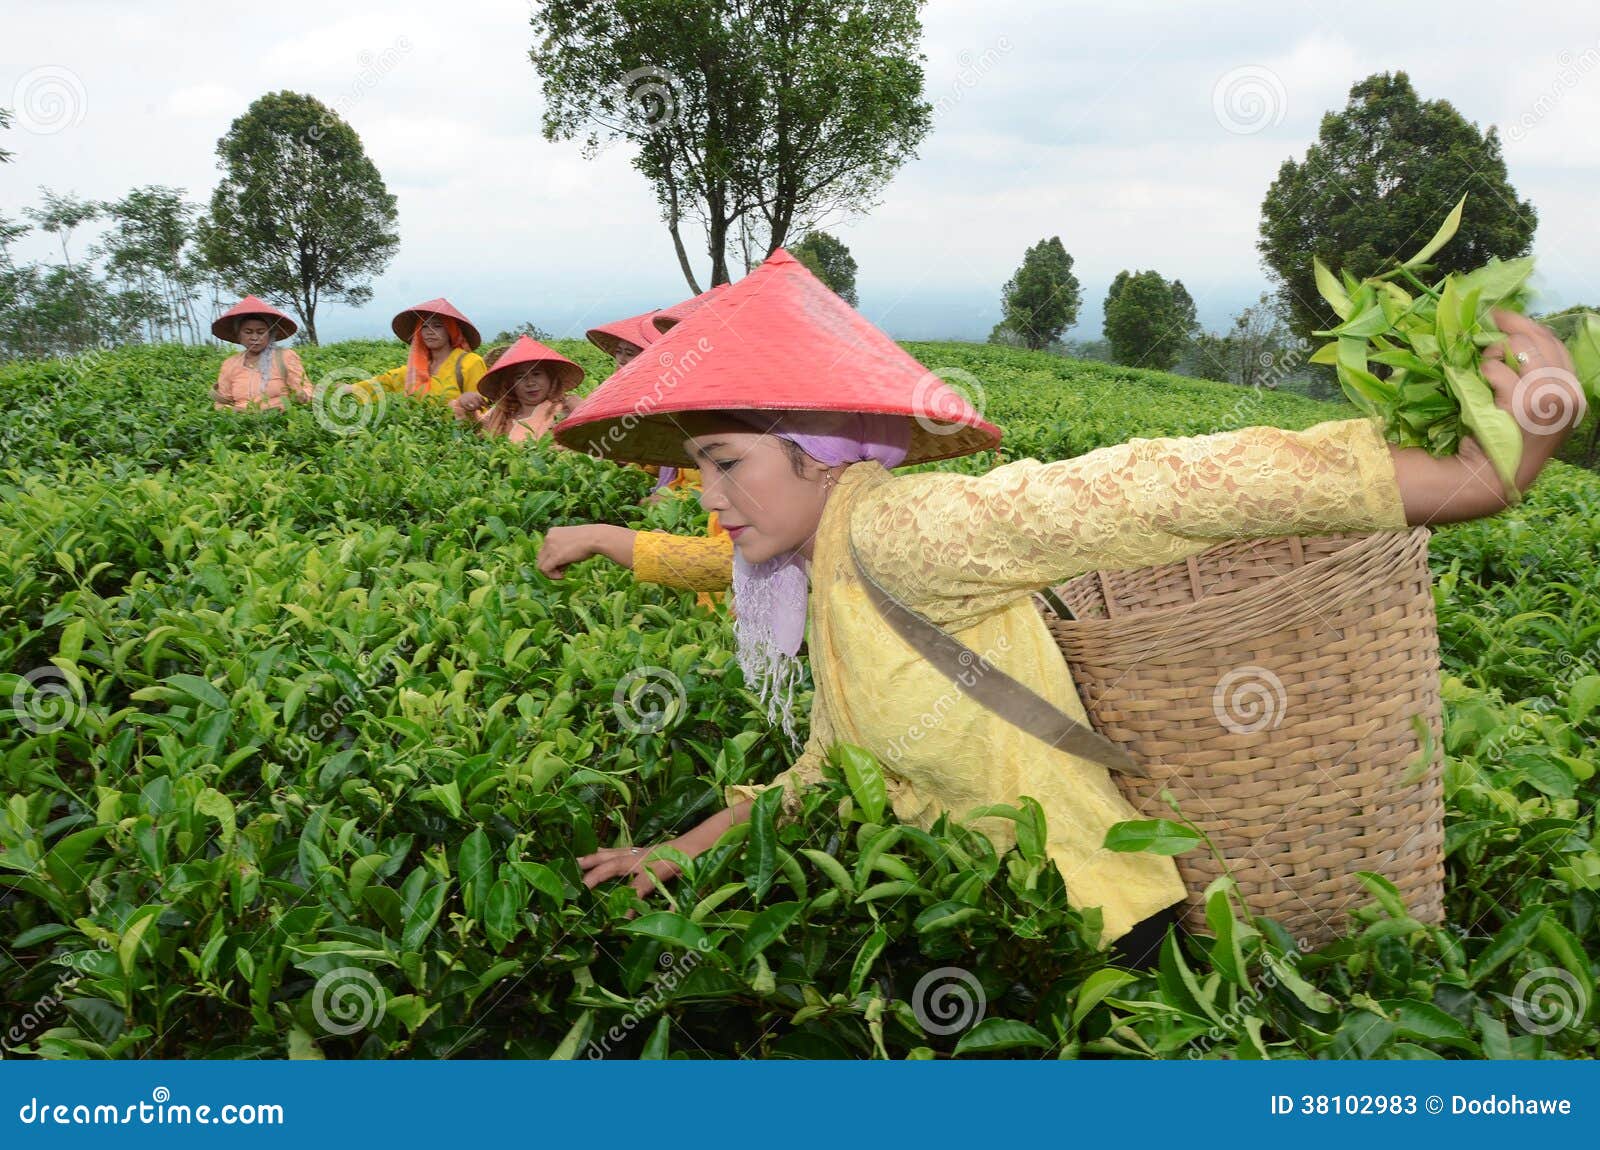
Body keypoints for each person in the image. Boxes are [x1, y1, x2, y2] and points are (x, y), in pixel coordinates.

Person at [540, 248, 1586, 958]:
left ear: (818, 456)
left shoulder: (902, 530)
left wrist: (1468, 480)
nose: (709, 498)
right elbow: (833, 763)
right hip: (993, 922)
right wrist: (680, 850)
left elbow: (1140, 492)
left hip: (1096, 931)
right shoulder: (831, 573)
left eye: (725, 462)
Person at [349, 298, 487, 403]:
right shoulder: (415, 369)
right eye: (425, 326)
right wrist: (350, 389)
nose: (430, 332)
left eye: (437, 326)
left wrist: (464, 404)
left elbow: (483, 408)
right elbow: (386, 381)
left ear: (450, 330)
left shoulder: (471, 363)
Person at [452, 335, 581, 444]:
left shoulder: (565, 409)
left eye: (536, 374)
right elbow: (476, 432)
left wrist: (581, 410)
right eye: (520, 377)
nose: (530, 383)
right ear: (510, 384)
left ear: (550, 378)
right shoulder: (502, 413)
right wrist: (467, 407)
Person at [210, 295, 310, 411]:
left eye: (261, 332)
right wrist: (233, 411)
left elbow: (305, 390)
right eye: (248, 332)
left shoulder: (285, 357)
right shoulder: (230, 364)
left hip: (278, 419)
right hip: (242, 421)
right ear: (239, 335)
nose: (255, 337)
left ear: (270, 334)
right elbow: (222, 401)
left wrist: (303, 396)